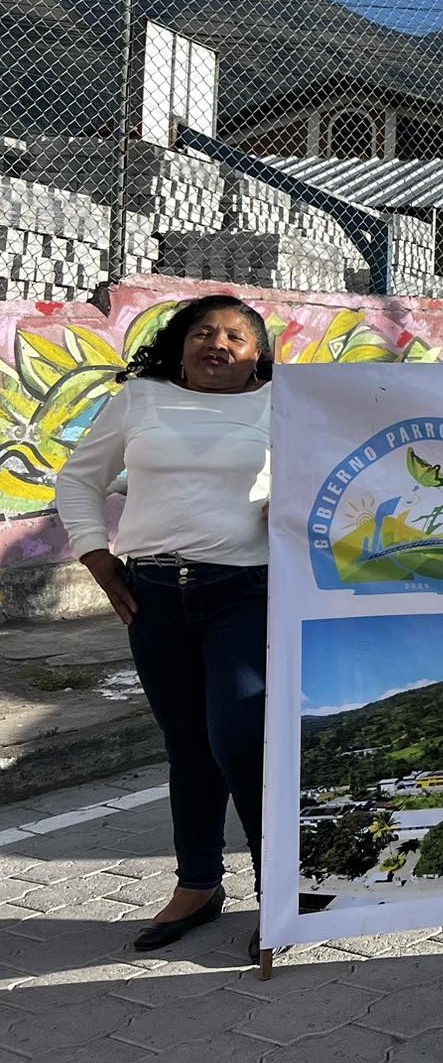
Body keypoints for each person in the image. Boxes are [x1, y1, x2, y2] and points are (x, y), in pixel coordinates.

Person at [53, 295, 273, 963]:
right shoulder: (140, 399)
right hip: (152, 594)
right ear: (179, 345)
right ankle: (199, 885)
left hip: (246, 593)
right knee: (188, 745)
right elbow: (78, 480)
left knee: (242, 741)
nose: (219, 342)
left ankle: (283, 896)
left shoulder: (284, 407)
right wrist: (97, 558)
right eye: (203, 331)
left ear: (258, 354)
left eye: (237, 335)